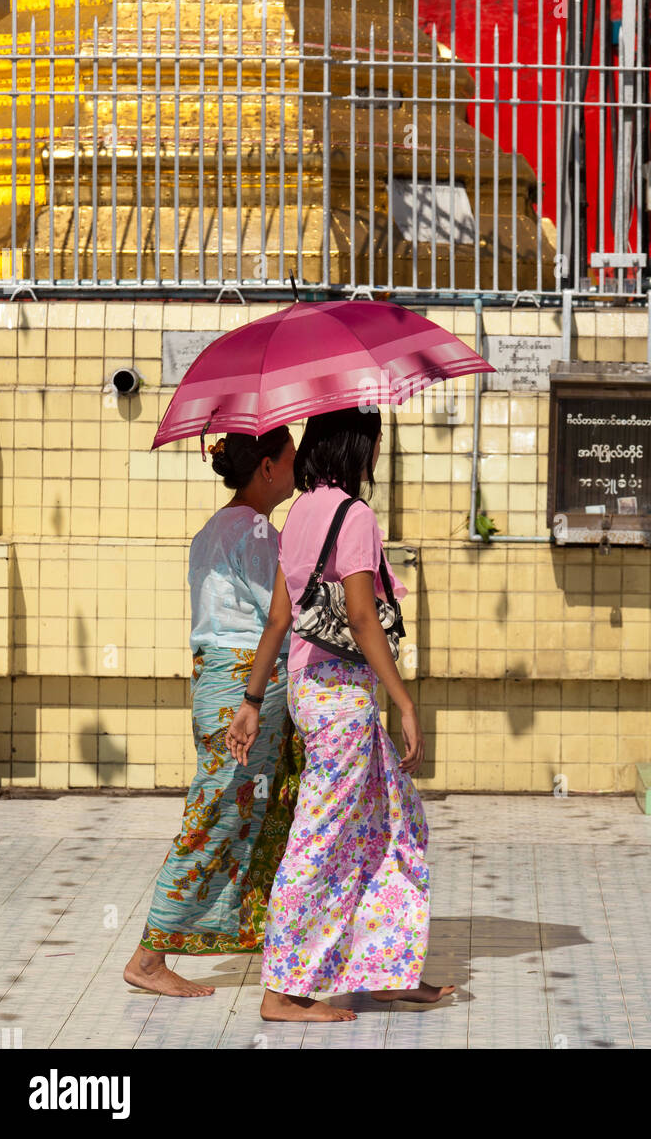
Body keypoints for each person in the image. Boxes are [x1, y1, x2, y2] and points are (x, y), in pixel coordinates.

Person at [226, 406, 454, 1022]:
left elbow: (279, 618)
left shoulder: (299, 512)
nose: (379, 454)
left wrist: (252, 701)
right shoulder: (355, 516)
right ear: (359, 448)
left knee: (394, 826)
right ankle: (283, 991)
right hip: (342, 699)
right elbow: (359, 617)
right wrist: (404, 701)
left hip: (309, 689)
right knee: (320, 837)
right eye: (376, 443)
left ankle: (386, 969)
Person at [123, 428, 304, 997]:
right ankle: (149, 957)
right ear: (269, 468)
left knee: (233, 811)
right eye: (292, 458)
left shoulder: (213, 529)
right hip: (245, 686)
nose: (299, 468)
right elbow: (280, 617)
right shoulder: (256, 532)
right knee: (217, 814)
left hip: (217, 682)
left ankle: (269, 936)